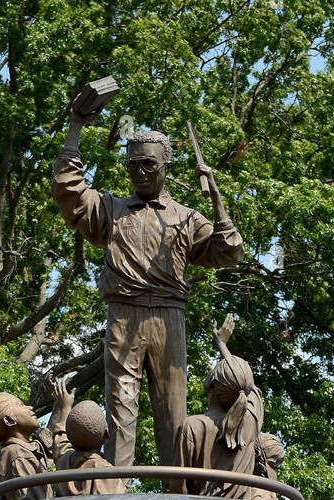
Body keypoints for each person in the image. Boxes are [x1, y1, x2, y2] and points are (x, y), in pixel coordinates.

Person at [53, 100, 244, 474]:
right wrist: (76, 124)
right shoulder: (110, 210)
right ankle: (114, 491)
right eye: (132, 164)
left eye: (149, 164)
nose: (139, 172)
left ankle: (179, 498)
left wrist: (217, 200)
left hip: (169, 318)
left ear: (166, 167)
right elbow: (69, 190)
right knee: (120, 410)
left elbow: (229, 252)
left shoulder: (188, 219)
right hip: (123, 315)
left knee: (173, 414)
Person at [174, 315, 271, 500]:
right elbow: (250, 389)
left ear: (210, 384)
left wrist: (220, 342)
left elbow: (179, 488)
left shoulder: (193, 427)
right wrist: (223, 346)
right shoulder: (250, 422)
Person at [48, 379, 127, 497]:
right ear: (106, 434)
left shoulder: (64, 461)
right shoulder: (104, 471)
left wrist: (64, 408)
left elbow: (60, 441)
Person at [0, 391, 54, 500]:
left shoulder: (20, 450)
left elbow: (48, 439)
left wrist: (60, 404)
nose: (30, 407)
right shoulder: (17, 455)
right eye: (21, 405)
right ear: (9, 420)